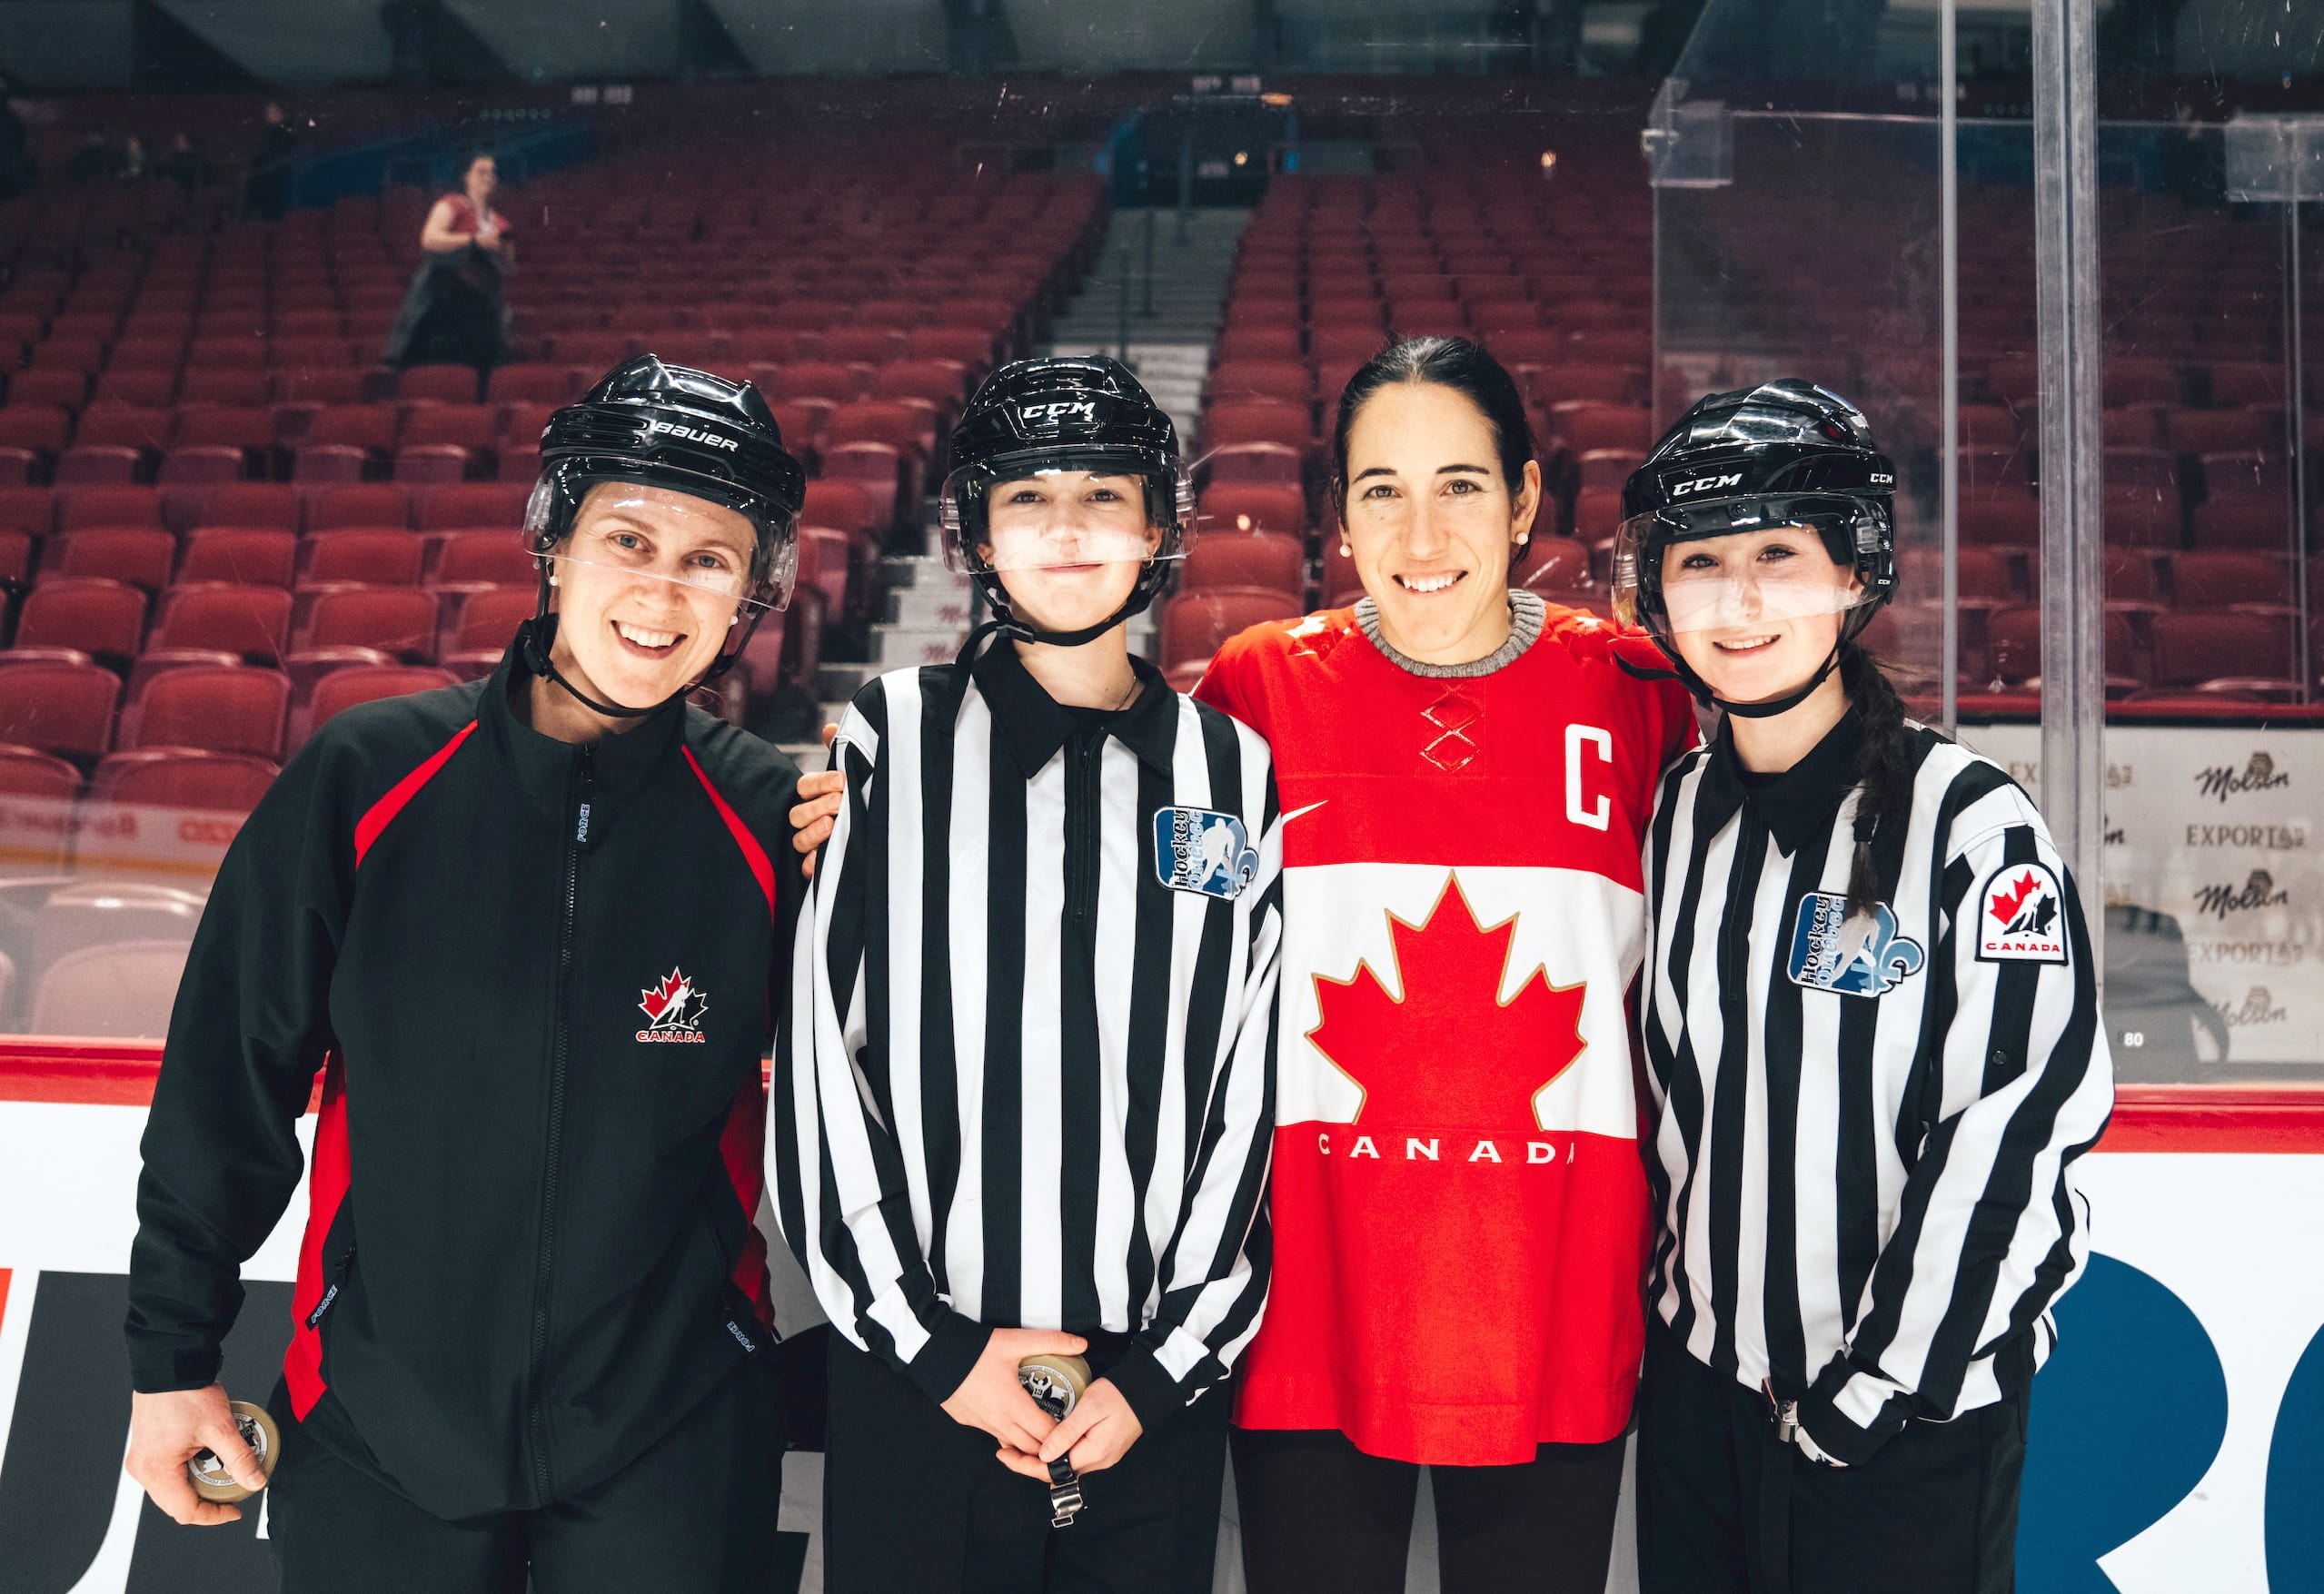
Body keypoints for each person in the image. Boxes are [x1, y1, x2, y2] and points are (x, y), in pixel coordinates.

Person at [789, 337, 1701, 1593]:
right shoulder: (1258, 693)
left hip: (1530, 1299)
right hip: (1296, 1320)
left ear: (1526, 498)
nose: (1421, 526)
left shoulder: (1639, 691)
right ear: (1335, 512)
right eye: (1380, 485)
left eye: (1461, 483)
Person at [123, 356, 812, 1594]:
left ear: (749, 593)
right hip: (383, 1415)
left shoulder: (774, 817)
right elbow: (229, 1074)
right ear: (556, 545)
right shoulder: (368, 775)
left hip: (671, 1425)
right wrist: (172, 1356)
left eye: (709, 559)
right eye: (629, 538)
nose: (661, 589)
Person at [773, 355, 1283, 1593]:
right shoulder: (886, 734)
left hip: (1142, 1385)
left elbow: (1245, 1086)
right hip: (923, 1372)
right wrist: (933, 1346)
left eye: (1104, 496)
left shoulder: (1232, 770)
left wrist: (1165, 1367)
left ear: (1157, 526)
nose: (1066, 530)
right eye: (1027, 498)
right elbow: (821, 1068)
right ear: (978, 535)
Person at [1613, 379, 2114, 1594]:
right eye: (1700, 561)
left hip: (1902, 1425)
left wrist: (1873, 1390)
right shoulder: (1674, 811)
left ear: (1853, 572)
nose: (1737, 602)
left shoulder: (1970, 825)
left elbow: (2014, 1126)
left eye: (1779, 554)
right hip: (1702, 1404)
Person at [382, 149, 515, 376]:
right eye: (481, 171)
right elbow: (430, 239)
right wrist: (473, 240)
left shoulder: (500, 222)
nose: (488, 177)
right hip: (446, 299)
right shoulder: (453, 204)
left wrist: (502, 249)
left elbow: (507, 266)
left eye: (492, 172)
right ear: (466, 176)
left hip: (482, 304)